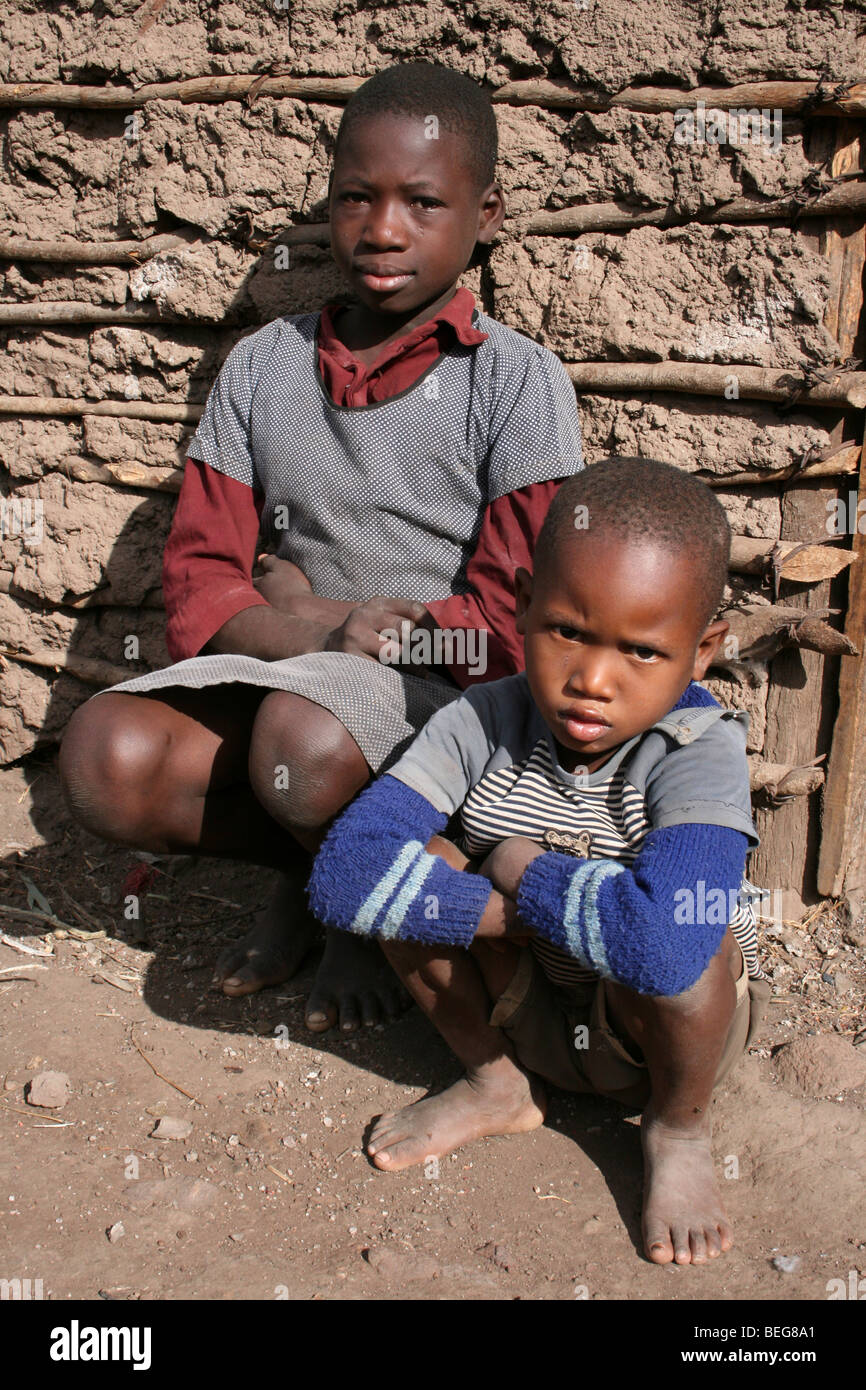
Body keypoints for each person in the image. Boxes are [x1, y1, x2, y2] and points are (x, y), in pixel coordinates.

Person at [58, 61, 584, 1033]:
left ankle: (351, 908)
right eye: (356, 197)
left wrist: (341, 629)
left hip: (440, 704)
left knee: (301, 742)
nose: (382, 229)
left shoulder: (513, 384)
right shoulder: (264, 367)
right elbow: (195, 593)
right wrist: (326, 627)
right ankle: (310, 873)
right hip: (299, 672)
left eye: (423, 202)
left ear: (488, 214)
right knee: (105, 754)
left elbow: (507, 633)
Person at [308, 457, 772, 1266]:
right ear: (522, 606)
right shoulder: (480, 720)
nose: (593, 679)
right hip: (525, 1005)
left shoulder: (699, 749)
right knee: (423, 861)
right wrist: (492, 907)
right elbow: (346, 872)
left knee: (698, 945)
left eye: (642, 652)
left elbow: (662, 949)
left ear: (702, 653)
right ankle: (495, 1082)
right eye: (567, 630)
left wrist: (522, 867)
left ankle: (678, 1131)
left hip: (648, 1039)